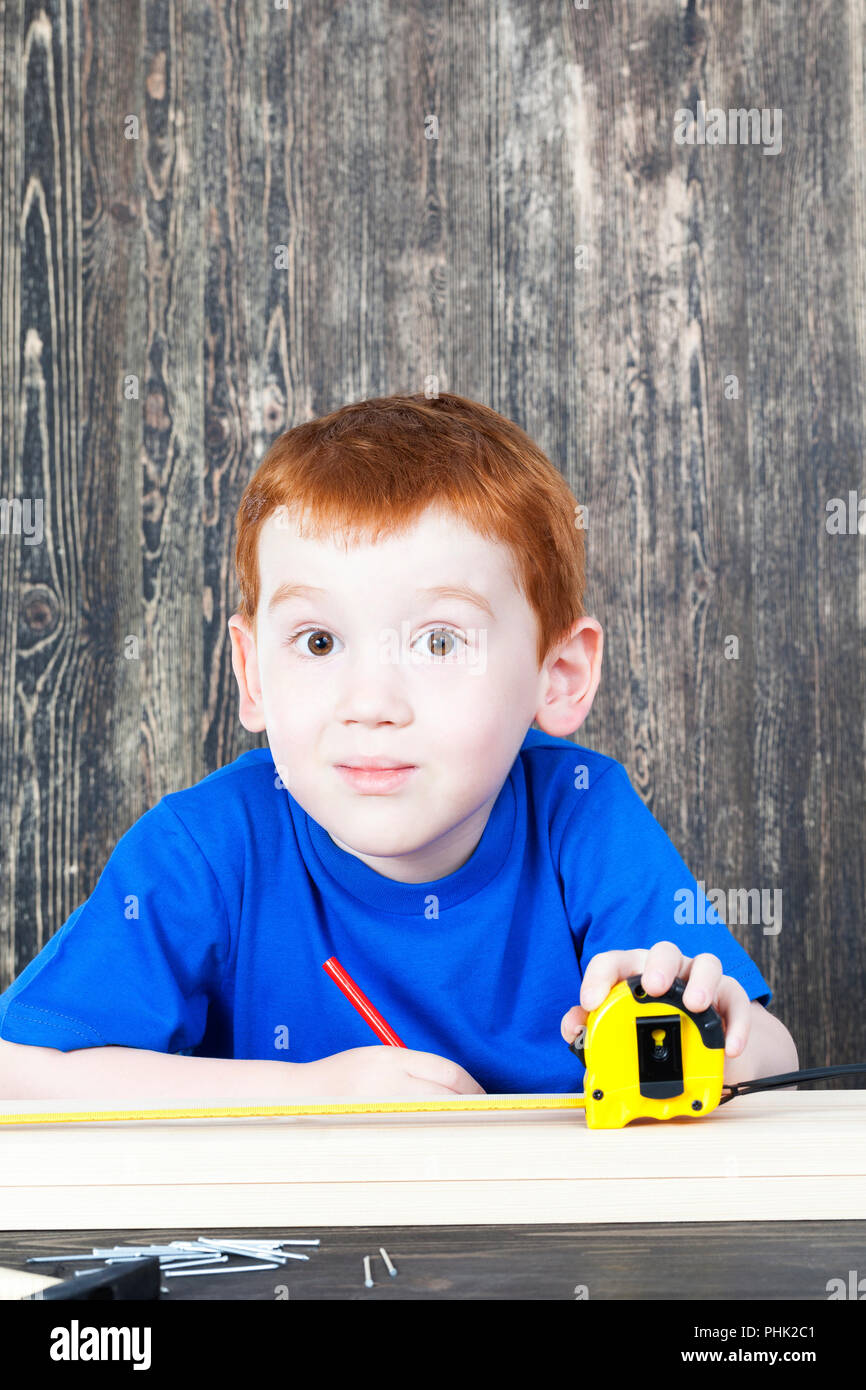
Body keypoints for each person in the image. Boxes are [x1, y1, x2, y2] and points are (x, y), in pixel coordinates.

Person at [0, 392, 797, 1099]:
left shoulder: (583, 818)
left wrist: (727, 1034)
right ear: (252, 673)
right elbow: (19, 1074)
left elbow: (779, 1057)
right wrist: (306, 1097)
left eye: (440, 644)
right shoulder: (206, 851)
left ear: (557, 675)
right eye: (317, 643)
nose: (370, 704)